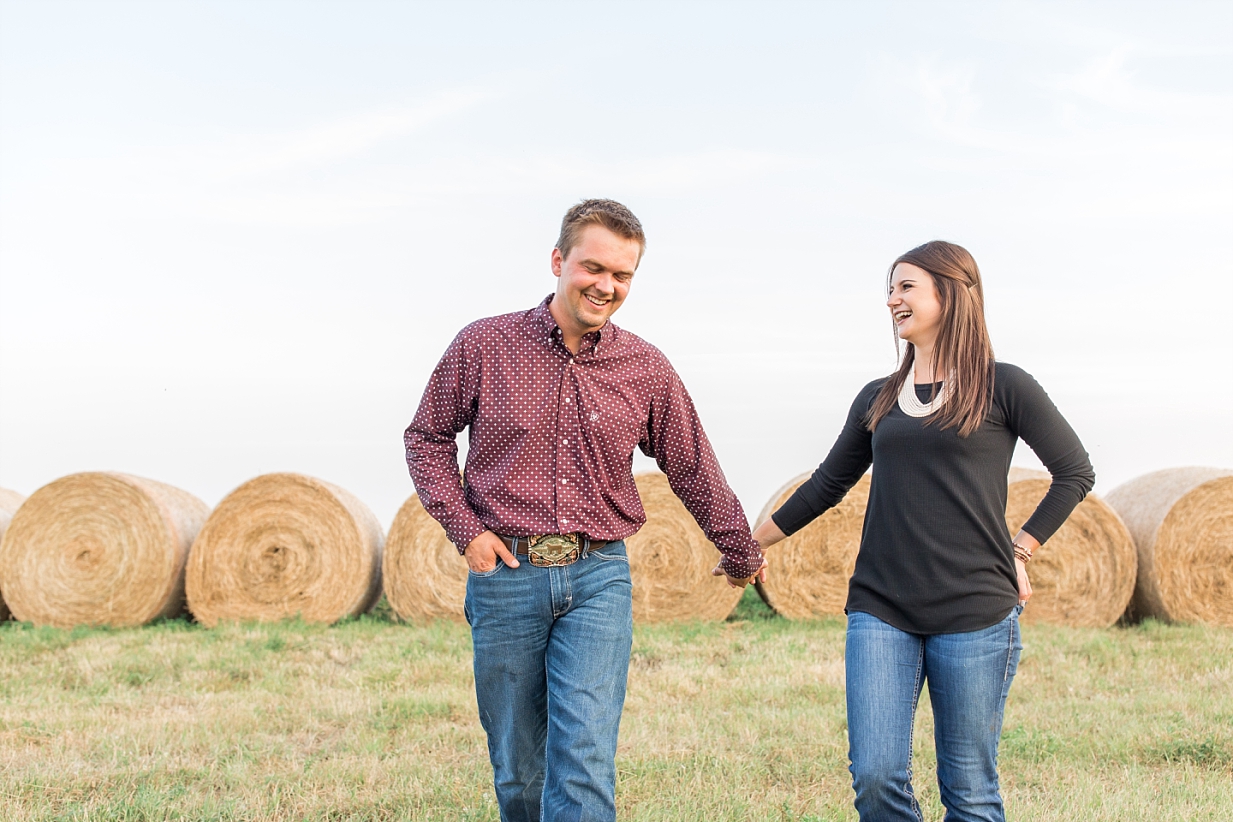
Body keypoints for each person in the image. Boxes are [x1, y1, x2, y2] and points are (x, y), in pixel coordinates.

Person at [404, 199, 766, 822]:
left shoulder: (645, 367)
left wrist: (739, 546)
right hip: (507, 576)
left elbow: (691, 464)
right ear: (557, 261)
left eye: (622, 275)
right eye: (593, 268)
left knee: (586, 757)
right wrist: (466, 531)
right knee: (519, 767)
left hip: (600, 577)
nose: (607, 286)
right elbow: (427, 437)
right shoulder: (484, 344)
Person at [751, 240, 1094, 822]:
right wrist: (745, 540)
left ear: (952, 291)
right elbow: (826, 484)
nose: (892, 301)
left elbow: (1075, 472)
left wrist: (1023, 547)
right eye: (890, 288)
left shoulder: (1004, 385)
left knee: (969, 791)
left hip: (978, 611)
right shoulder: (879, 397)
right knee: (876, 777)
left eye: (906, 287)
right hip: (882, 607)